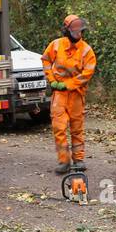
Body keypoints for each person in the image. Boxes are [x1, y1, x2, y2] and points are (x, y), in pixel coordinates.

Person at [44, 14, 97, 174]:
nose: (77, 34)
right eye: (74, 31)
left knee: (76, 128)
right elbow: (46, 60)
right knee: (59, 127)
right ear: (66, 30)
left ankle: (79, 159)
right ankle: (64, 161)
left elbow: (87, 74)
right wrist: (52, 80)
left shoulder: (87, 50)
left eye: (80, 31)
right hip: (59, 94)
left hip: (76, 94)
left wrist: (67, 85)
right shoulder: (56, 45)